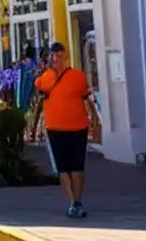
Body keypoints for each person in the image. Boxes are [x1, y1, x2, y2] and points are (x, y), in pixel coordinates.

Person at [33, 41, 100, 218]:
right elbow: (38, 105)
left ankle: (78, 200)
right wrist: (34, 127)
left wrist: (95, 120)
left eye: (59, 55)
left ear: (65, 56)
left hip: (78, 127)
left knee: (77, 166)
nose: (56, 58)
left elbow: (88, 100)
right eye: (53, 55)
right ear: (48, 57)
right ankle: (72, 201)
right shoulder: (43, 79)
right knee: (63, 168)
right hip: (55, 128)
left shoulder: (77, 76)